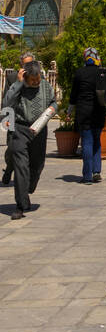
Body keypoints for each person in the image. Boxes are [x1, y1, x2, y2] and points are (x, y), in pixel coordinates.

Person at [1, 58, 56, 218]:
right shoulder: (17, 85)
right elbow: (6, 104)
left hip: (39, 129)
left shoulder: (45, 85)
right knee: (21, 167)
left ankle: (27, 189)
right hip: (20, 129)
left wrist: (53, 107)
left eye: (38, 78)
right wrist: (18, 84)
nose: (36, 82)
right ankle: (20, 205)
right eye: (32, 80)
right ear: (24, 76)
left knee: (37, 165)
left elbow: (53, 101)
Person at [69, 46, 106, 184]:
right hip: (99, 111)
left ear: (85, 58)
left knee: (87, 142)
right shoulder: (104, 73)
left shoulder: (80, 73)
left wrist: (69, 110)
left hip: (84, 112)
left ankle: (87, 176)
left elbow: (74, 94)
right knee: (97, 141)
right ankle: (97, 171)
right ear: (97, 58)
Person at [1, 52, 38, 186]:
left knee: (27, 151)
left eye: (30, 64)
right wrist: (5, 117)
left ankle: (22, 178)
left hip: (32, 121)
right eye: (25, 64)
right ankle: (9, 170)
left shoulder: (38, 77)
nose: (28, 67)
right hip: (14, 119)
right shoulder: (12, 77)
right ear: (20, 65)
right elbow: (6, 98)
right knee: (12, 148)